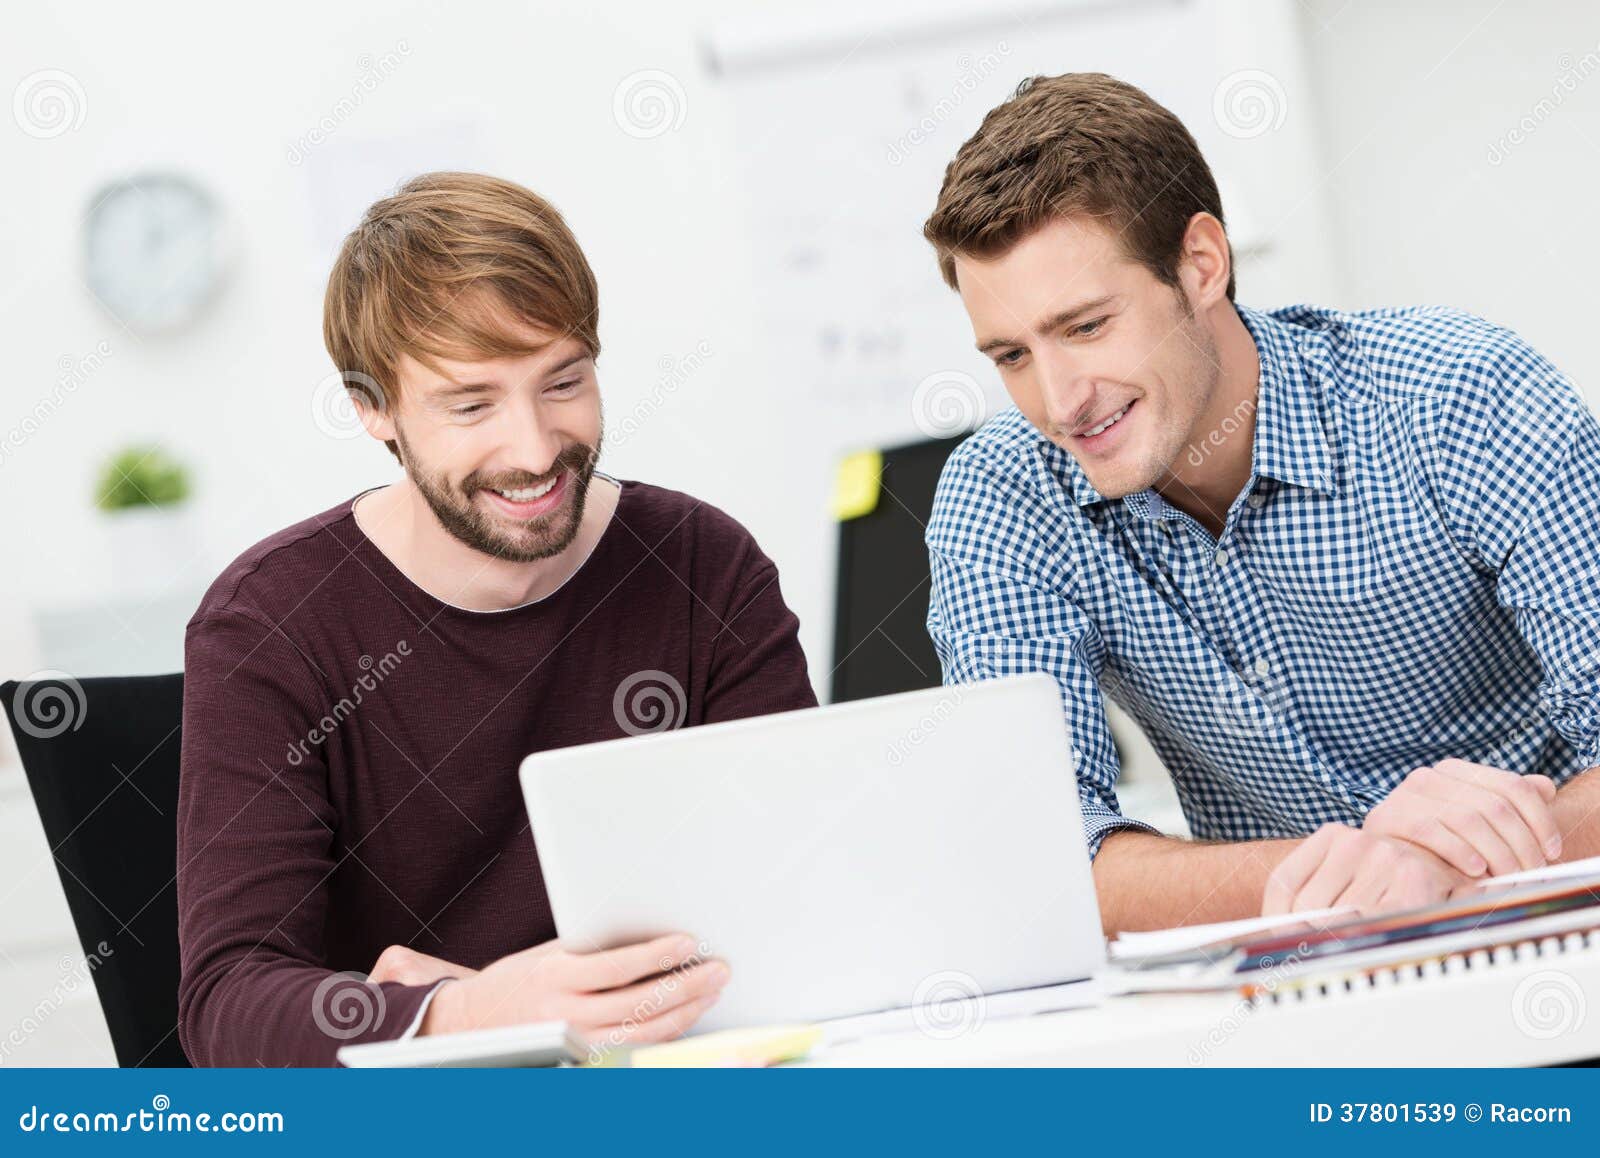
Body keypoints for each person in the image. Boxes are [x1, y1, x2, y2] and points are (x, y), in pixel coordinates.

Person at [921, 73, 1600, 933]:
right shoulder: (1005, 498)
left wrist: (1441, 869)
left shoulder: (1457, 395)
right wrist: (1369, 874)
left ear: (1202, 264)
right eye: (1011, 356)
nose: (1060, 402)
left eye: (1086, 326)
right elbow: (1039, 851)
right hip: (1283, 1015)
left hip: (1555, 952)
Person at [177, 172, 817, 1066]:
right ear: (373, 410)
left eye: (563, 381)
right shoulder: (268, 625)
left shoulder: (705, 564)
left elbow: (809, 896)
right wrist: (466, 1014)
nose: (535, 449)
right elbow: (227, 1002)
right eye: (472, 404)